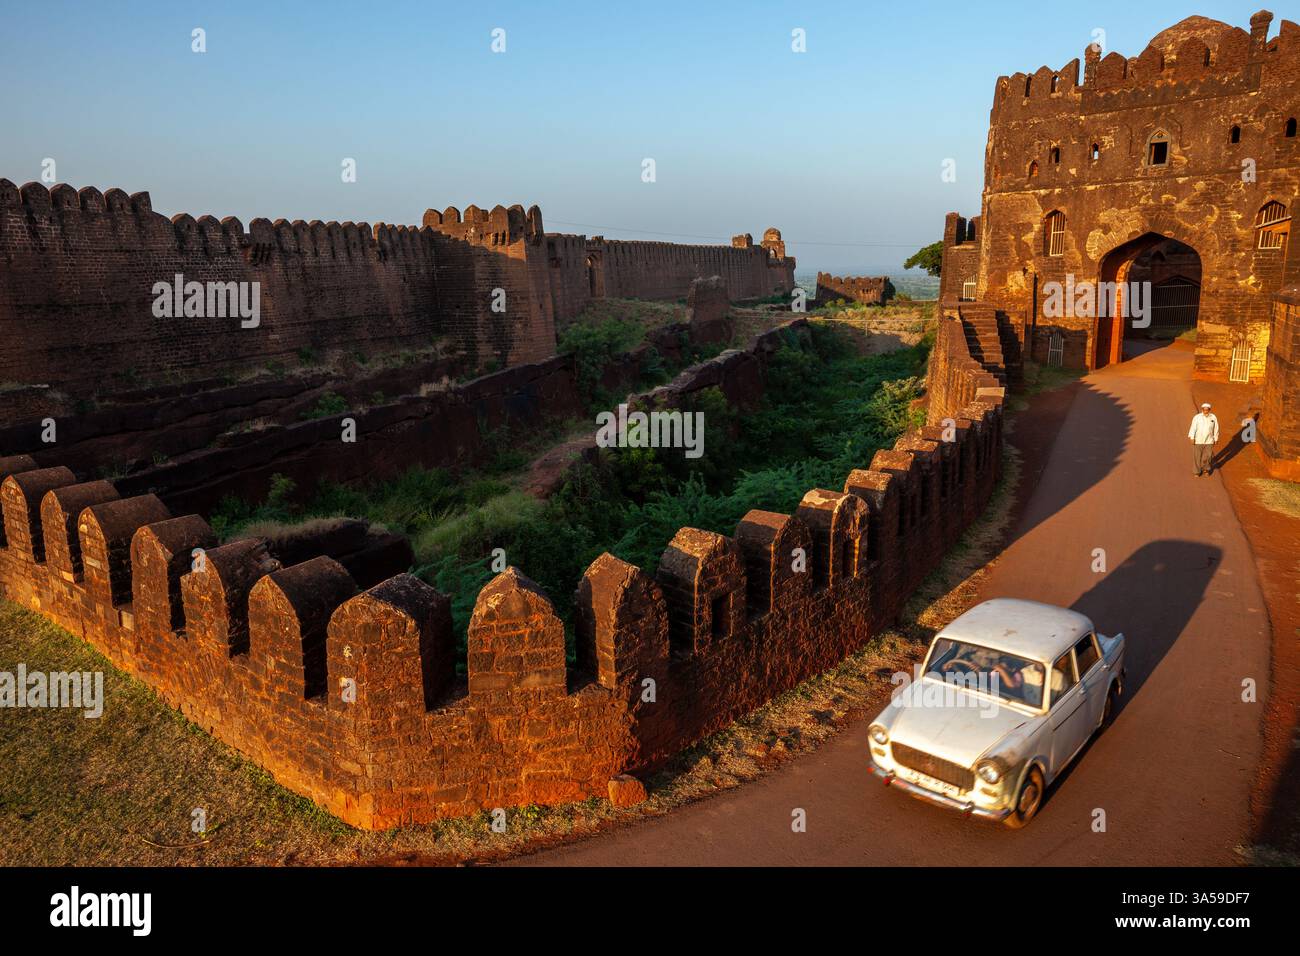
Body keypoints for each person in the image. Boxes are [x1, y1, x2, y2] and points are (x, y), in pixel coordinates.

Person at [1189, 401, 1219, 477]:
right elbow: (1193, 427)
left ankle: (1206, 469)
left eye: (1207, 409)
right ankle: (1197, 472)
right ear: (1202, 409)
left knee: (1208, 456)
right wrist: (1192, 437)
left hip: (1209, 440)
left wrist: (1216, 438)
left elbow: (1216, 428)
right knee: (1197, 456)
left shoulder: (1213, 417)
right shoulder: (1197, 417)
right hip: (1198, 439)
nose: (1206, 410)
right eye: (1204, 409)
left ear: (1209, 409)